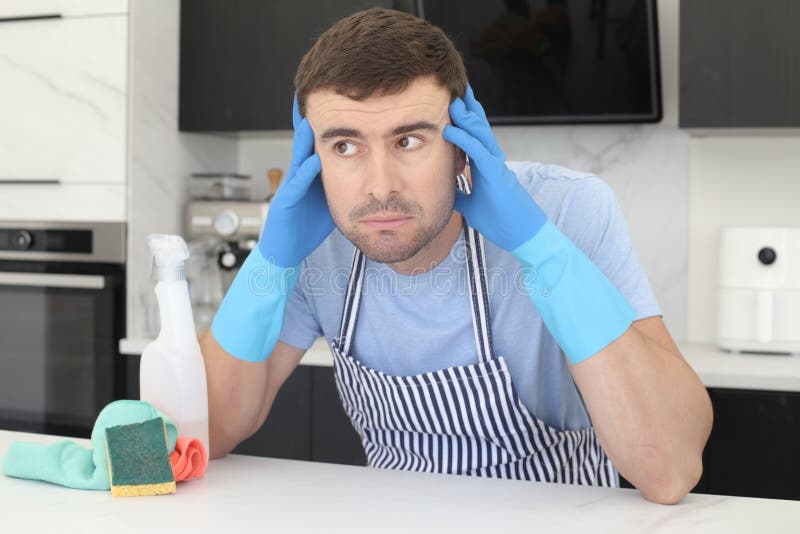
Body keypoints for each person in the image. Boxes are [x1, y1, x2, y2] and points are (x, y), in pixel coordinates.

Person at [201, 8, 712, 505]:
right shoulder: (319, 240)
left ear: (462, 142)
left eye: (409, 139)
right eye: (345, 147)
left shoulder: (566, 208)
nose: (380, 187)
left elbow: (669, 471)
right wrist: (271, 260)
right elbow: (209, 431)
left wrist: (540, 247)